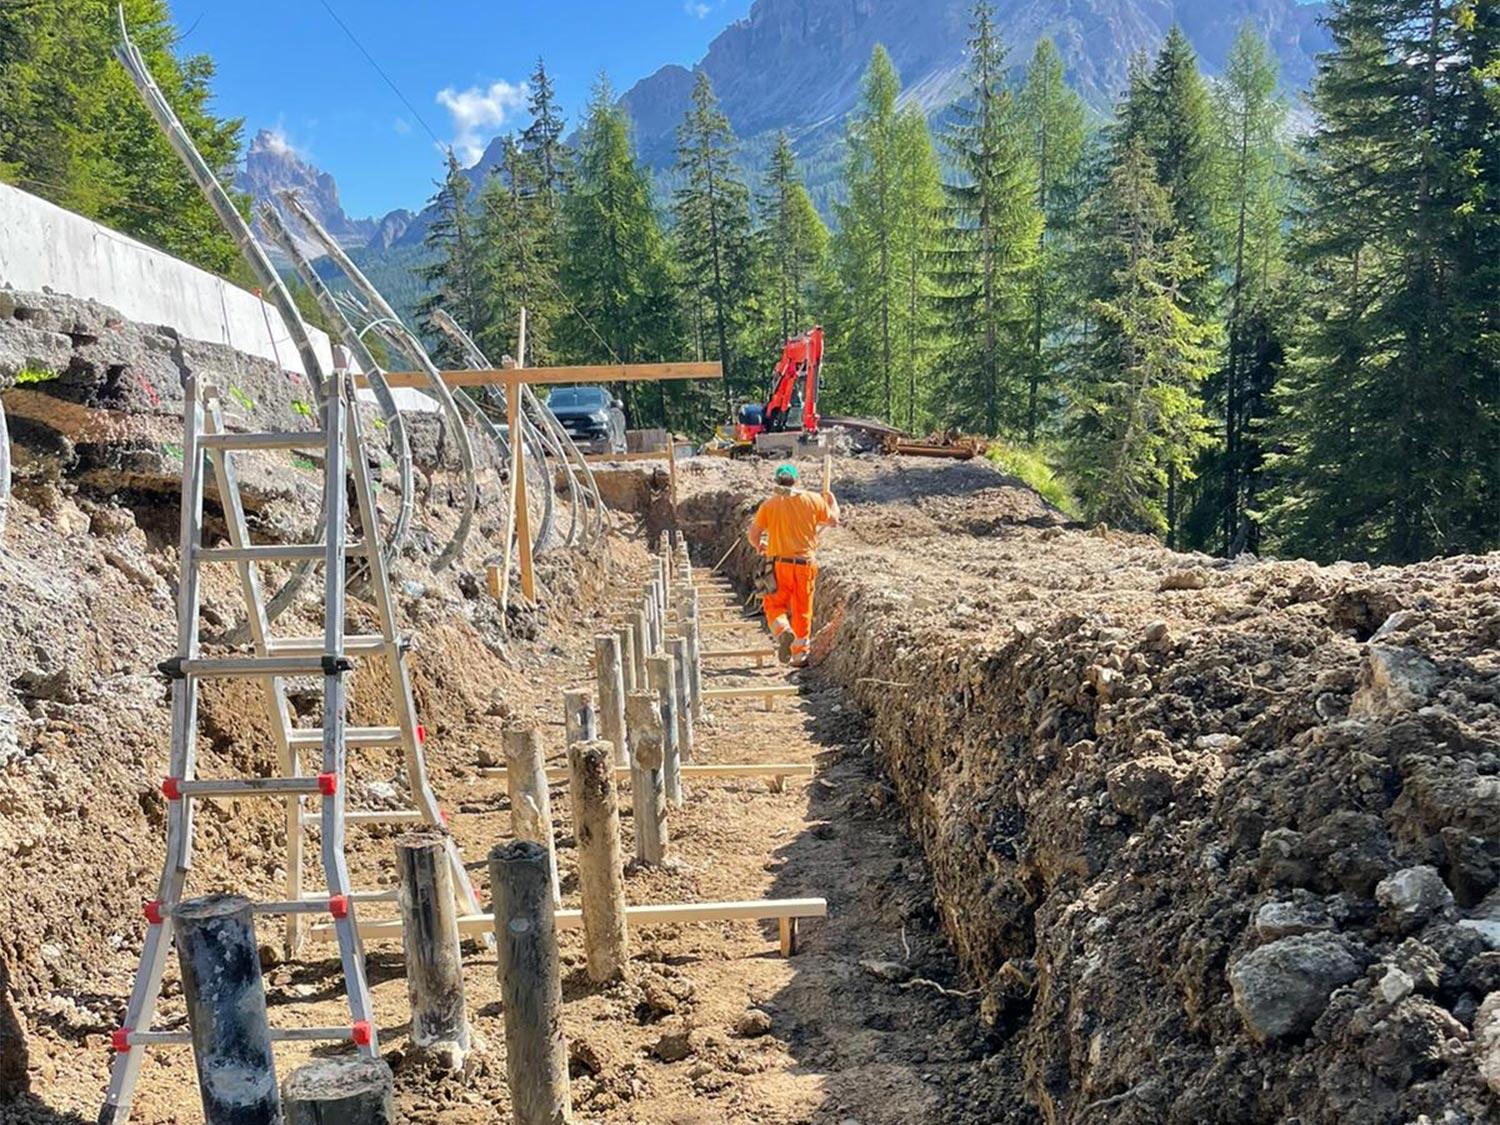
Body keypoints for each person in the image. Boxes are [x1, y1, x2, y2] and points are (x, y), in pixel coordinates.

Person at [746, 462, 839, 666]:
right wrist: (831, 502)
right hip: (805, 564)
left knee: (774, 605)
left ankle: (782, 631)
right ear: (796, 480)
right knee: (802, 609)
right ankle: (799, 654)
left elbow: (753, 535)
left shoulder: (770, 505)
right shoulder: (814, 500)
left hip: (779, 565)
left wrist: (760, 546)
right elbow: (833, 521)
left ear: (777, 482)